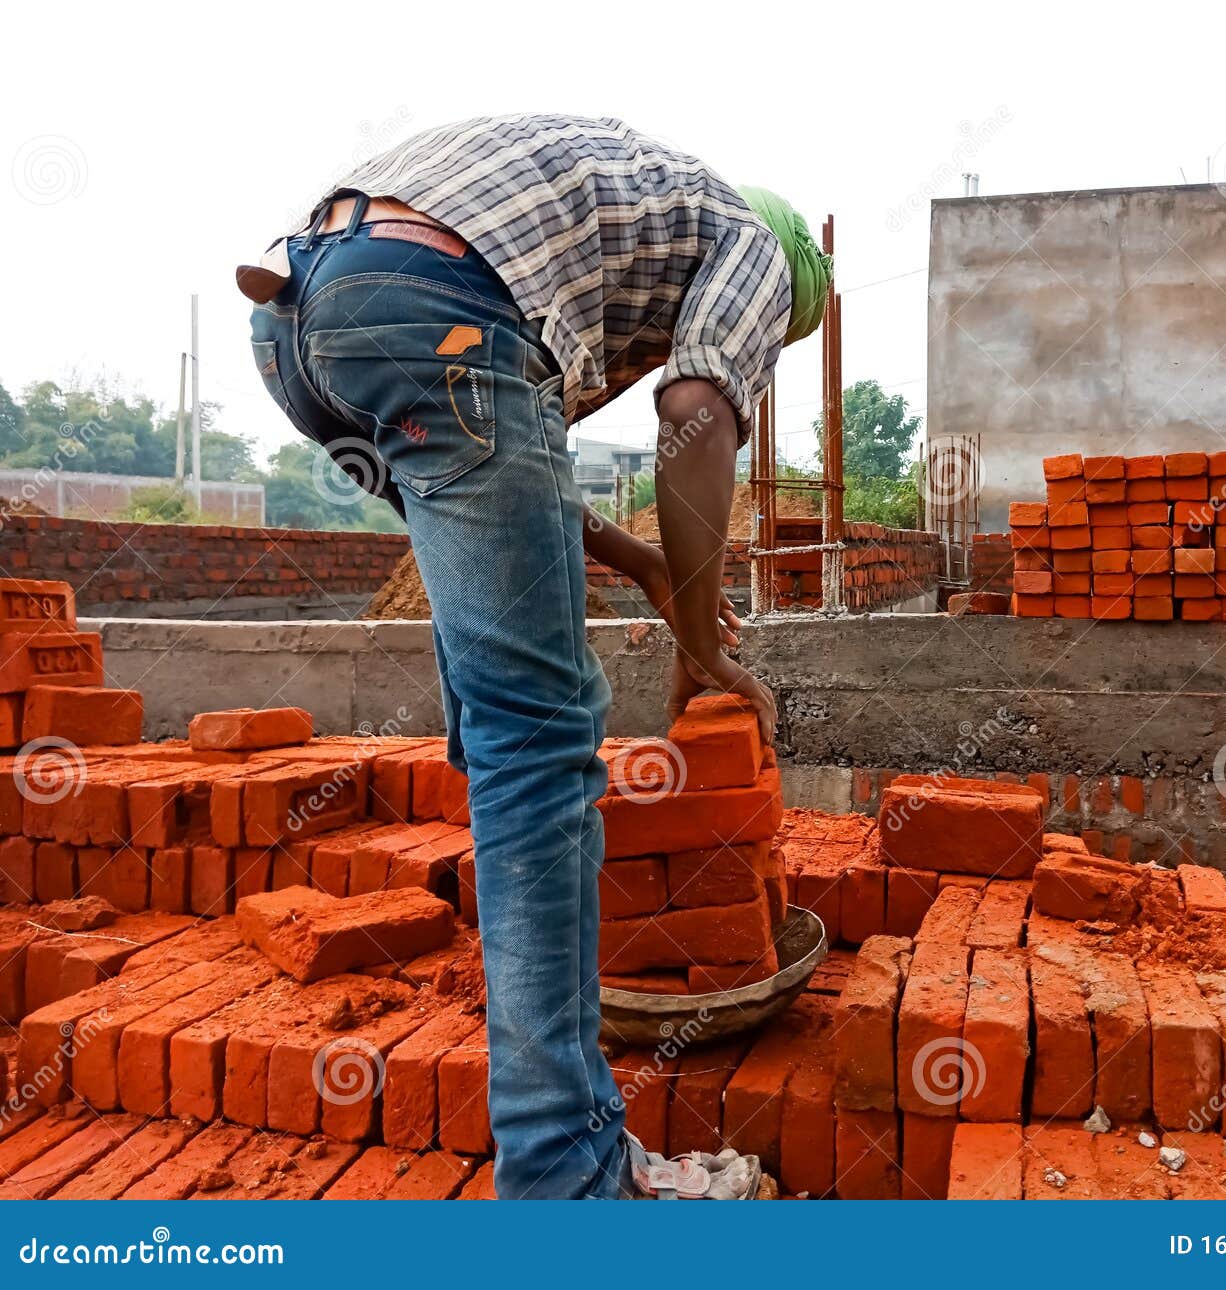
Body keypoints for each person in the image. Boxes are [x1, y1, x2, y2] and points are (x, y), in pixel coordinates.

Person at [239, 114, 831, 1198]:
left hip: (301, 326)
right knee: (541, 748)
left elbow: (521, 468)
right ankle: (568, 1177)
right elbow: (698, 410)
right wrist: (701, 643)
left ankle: (526, 981)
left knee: (503, 724)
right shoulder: (754, 242)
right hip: (430, 307)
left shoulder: (613, 234)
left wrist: (648, 566)